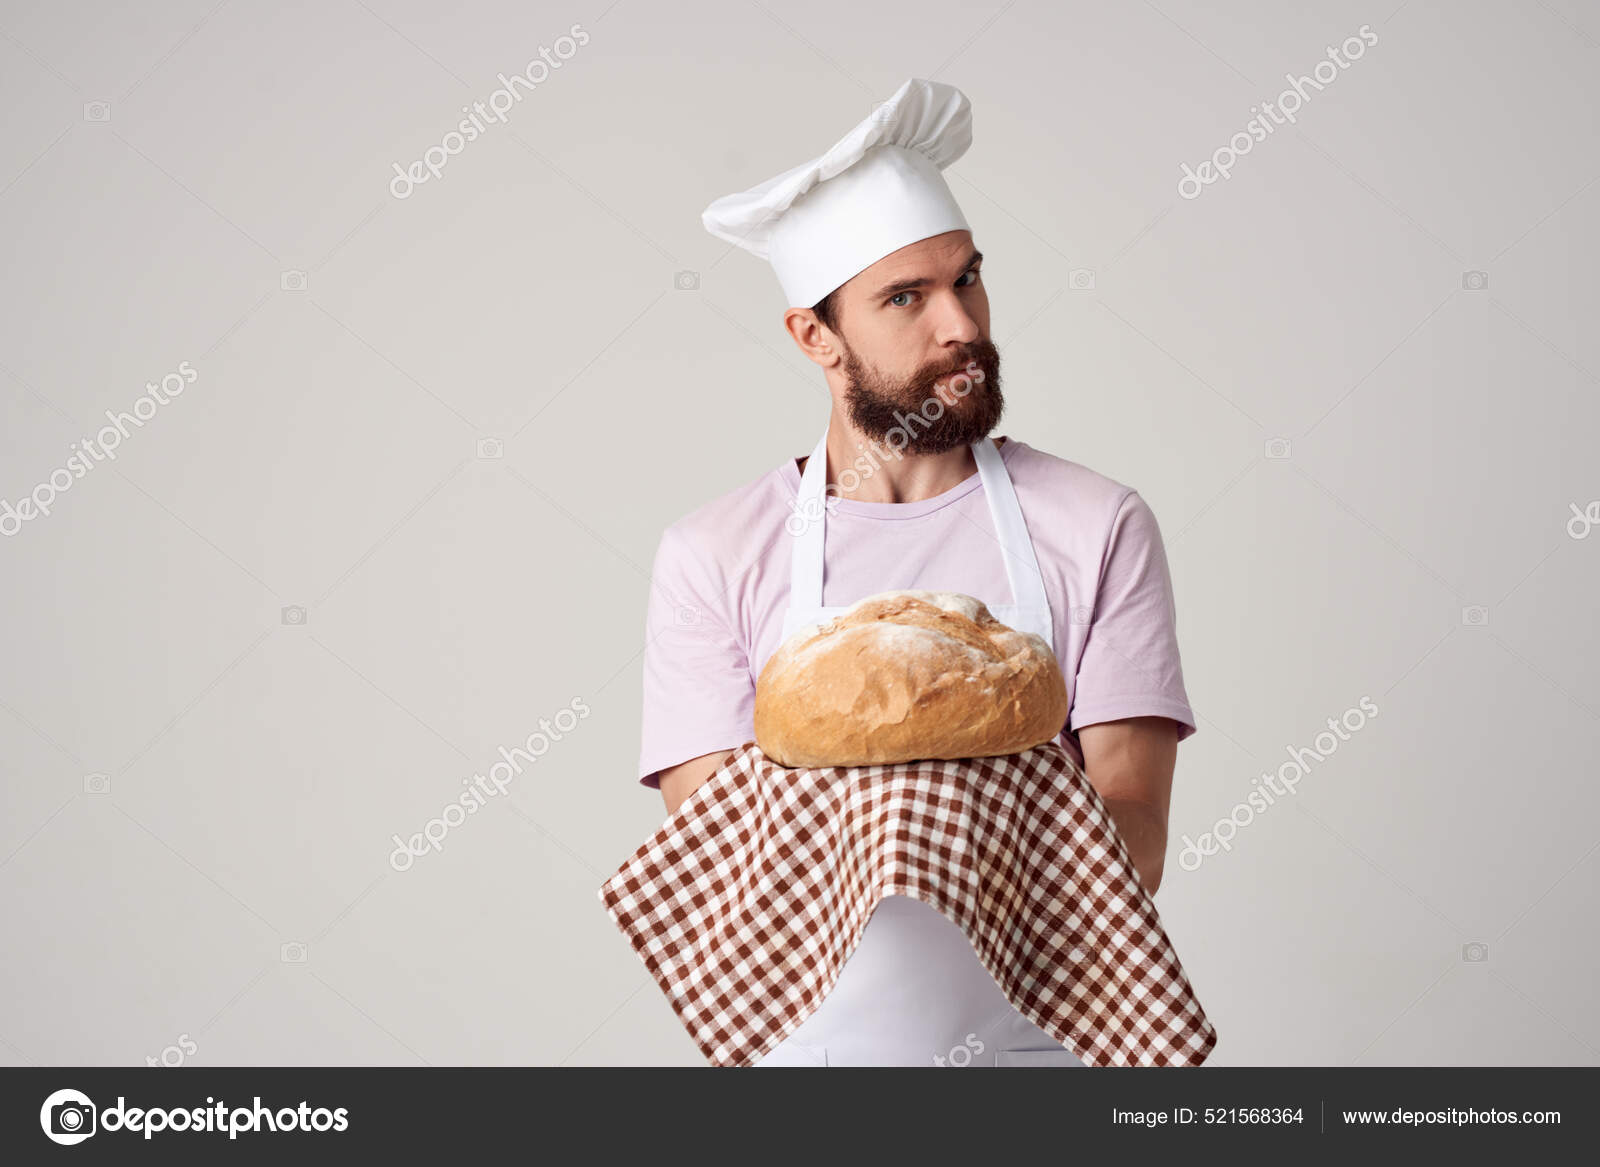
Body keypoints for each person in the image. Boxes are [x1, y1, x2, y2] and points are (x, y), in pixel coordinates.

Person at [636, 78, 1197, 1067]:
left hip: (1040, 1060)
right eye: (907, 298)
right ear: (815, 337)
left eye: (967, 279)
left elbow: (1136, 841)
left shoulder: (1095, 523)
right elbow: (726, 872)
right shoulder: (713, 555)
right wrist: (995, 789)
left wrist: (882, 803)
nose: (962, 326)